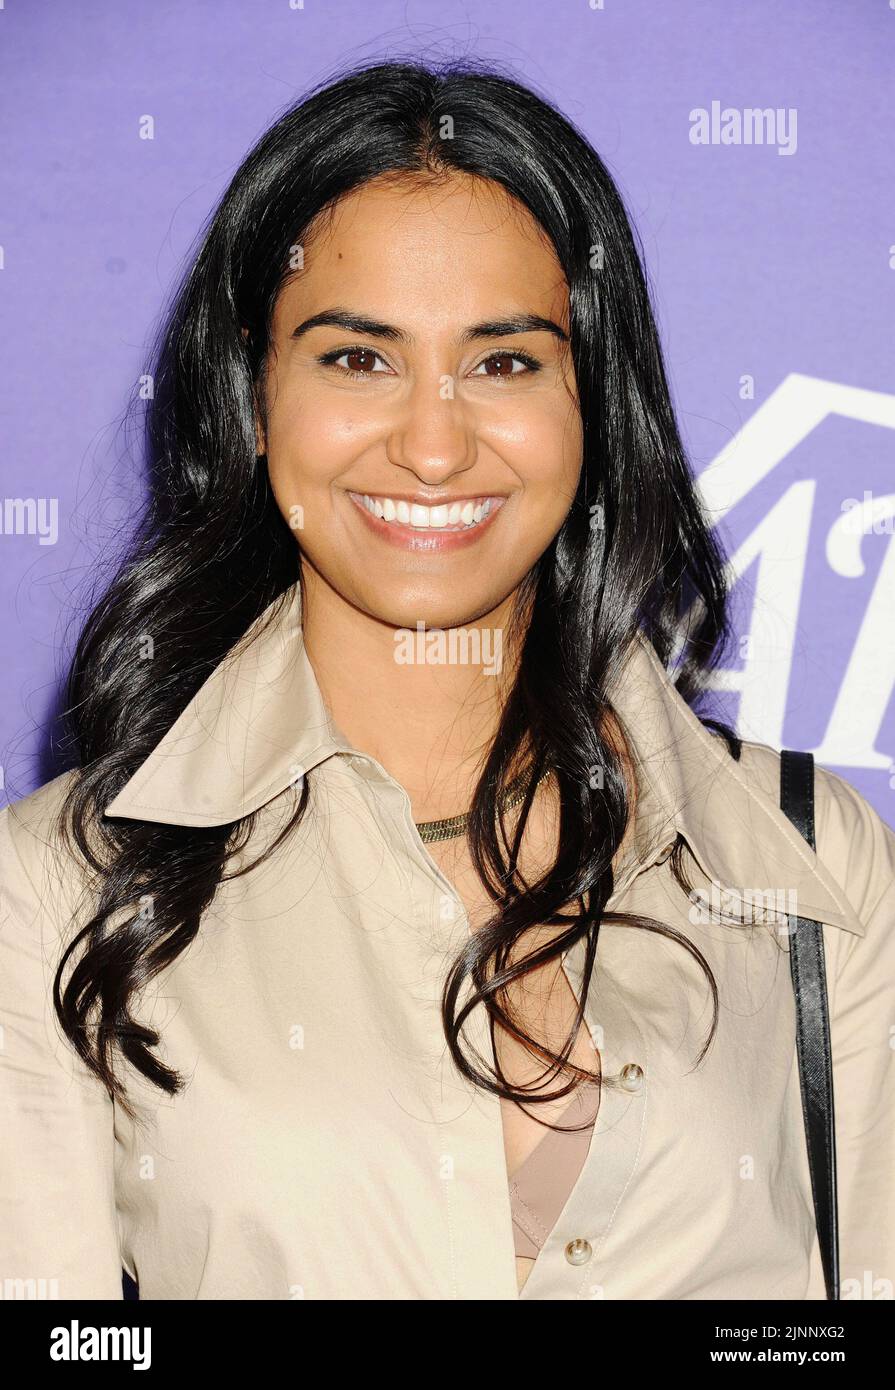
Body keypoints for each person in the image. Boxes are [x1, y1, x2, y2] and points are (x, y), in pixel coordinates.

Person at [1, 58, 893, 1302]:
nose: (431, 445)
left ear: (594, 404)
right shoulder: (56, 891)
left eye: (505, 362)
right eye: (358, 359)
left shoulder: (812, 864)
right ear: (253, 400)